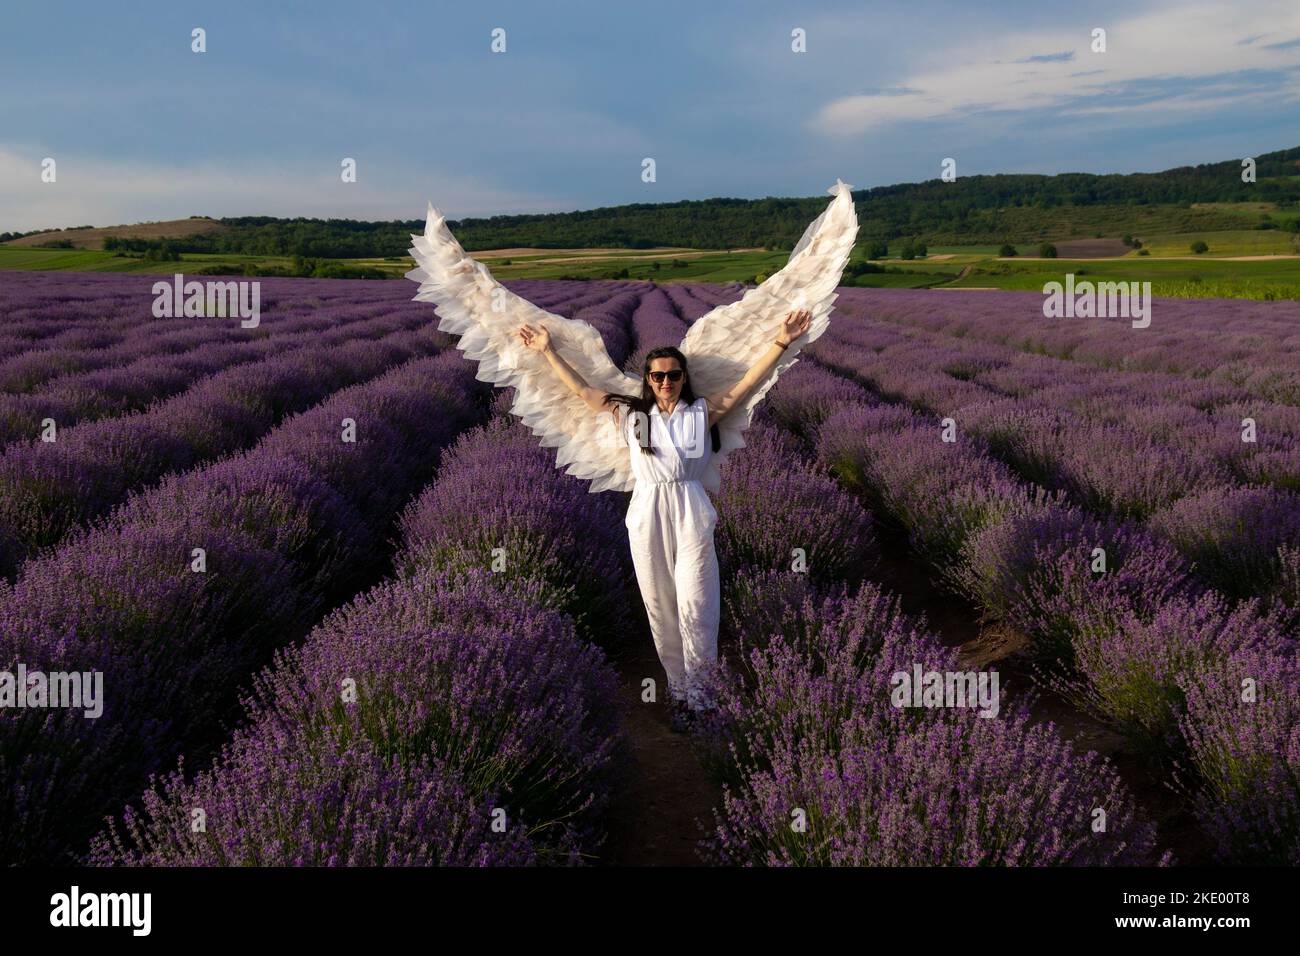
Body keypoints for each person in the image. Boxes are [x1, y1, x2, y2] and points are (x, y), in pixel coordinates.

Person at [518, 308, 813, 726]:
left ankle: (703, 695)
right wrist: (548, 351)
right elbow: (583, 391)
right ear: (648, 380)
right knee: (659, 603)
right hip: (647, 512)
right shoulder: (634, 417)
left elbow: (749, 383)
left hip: (691, 510)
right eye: (657, 376)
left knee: (698, 597)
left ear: (683, 378)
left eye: (673, 375)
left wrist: (782, 341)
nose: (666, 382)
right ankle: (678, 691)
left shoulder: (702, 414)